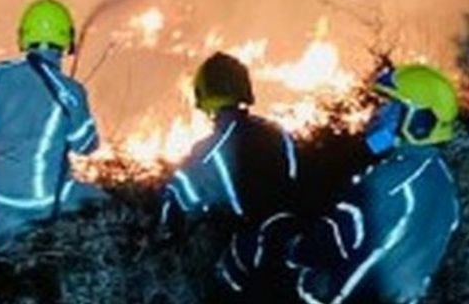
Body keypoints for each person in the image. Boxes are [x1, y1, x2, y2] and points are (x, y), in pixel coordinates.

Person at [244, 63, 462, 304]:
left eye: (393, 107)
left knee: (265, 245)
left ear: (420, 121)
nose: (380, 113)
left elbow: (330, 241)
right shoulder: (443, 183)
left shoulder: (390, 183)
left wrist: (290, 248)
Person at [159, 52, 301, 298]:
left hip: (249, 262)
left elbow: (175, 204)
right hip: (296, 250)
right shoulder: (278, 135)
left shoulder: (209, 153)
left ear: (204, 96)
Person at [0, 0, 107, 245]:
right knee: (108, 205)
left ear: (24, 35)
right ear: (66, 40)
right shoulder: (70, 91)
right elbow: (87, 144)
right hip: (41, 201)